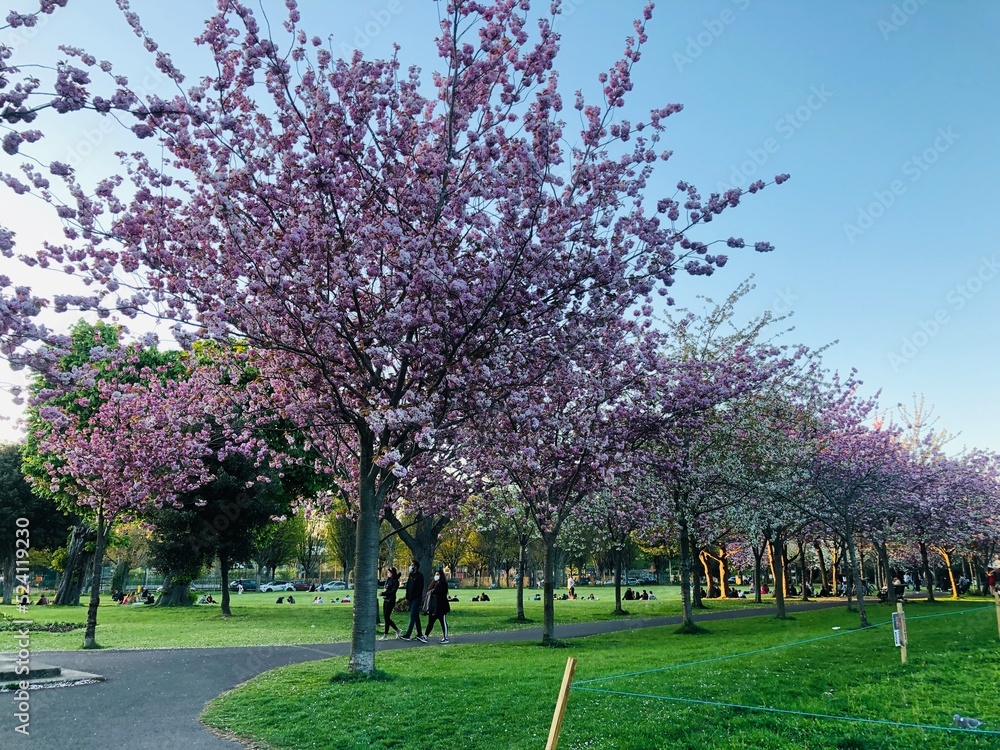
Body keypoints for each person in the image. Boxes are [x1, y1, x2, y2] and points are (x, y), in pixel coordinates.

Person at [400, 561, 426, 642]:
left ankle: (408, 634)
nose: (411, 567)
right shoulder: (411, 576)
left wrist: (414, 596)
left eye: (412, 565)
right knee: (416, 616)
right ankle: (419, 634)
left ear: (416, 567)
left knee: (412, 616)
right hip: (410, 599)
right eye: (410, 565)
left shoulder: (419, 576)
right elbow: (408, 587)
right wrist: (407, 597)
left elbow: (419, 588)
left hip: (416, 598)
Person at [424, 568, 452, 643]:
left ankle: (445, 637)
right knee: (430, 622)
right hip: (434, 607)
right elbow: (430, 590)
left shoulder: (443, 584)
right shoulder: (434, 584)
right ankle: (425, 636)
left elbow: (438, 592)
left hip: (441, 607)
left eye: (438, 574)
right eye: (435, 574)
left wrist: (433, 591)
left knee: (443, 622)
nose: (436, 576)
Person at [378, 566, 401, 640]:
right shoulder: (387, 580)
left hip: (390, 601)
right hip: (385, 600)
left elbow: (393, 592)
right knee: (386, 618)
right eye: (387, 572)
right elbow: (380, 583)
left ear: (392, 573)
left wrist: (383, 593)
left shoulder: (395, 581)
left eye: (389, 572)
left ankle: (386, 635)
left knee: (387, 618)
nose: (388, 573)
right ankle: (396, 630)